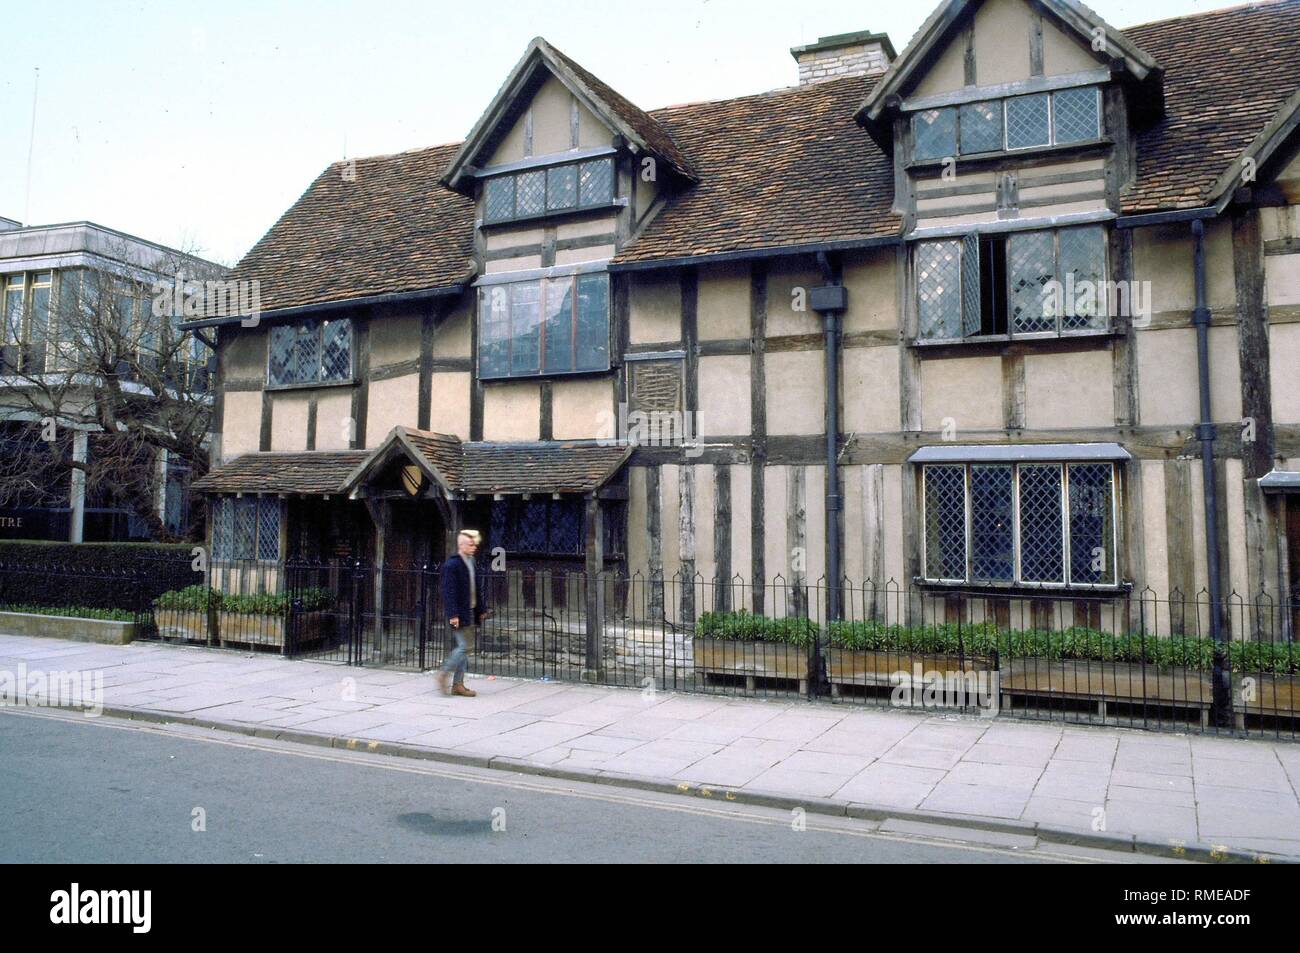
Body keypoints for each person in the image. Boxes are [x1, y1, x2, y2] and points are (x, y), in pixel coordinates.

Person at [437, 529, 489, 697]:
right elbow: (448, 592)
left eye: (475, 544)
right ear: (461, 545)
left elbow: (476, 588)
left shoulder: (471, 562)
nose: (474, 547)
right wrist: (453, 615)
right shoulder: (452, 565)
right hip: (459, 613)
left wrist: (481, 609)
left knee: (466, 648)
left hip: (471, 611)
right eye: (470, 544)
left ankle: (458, 684)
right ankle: (444, 673)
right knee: (465, 647)